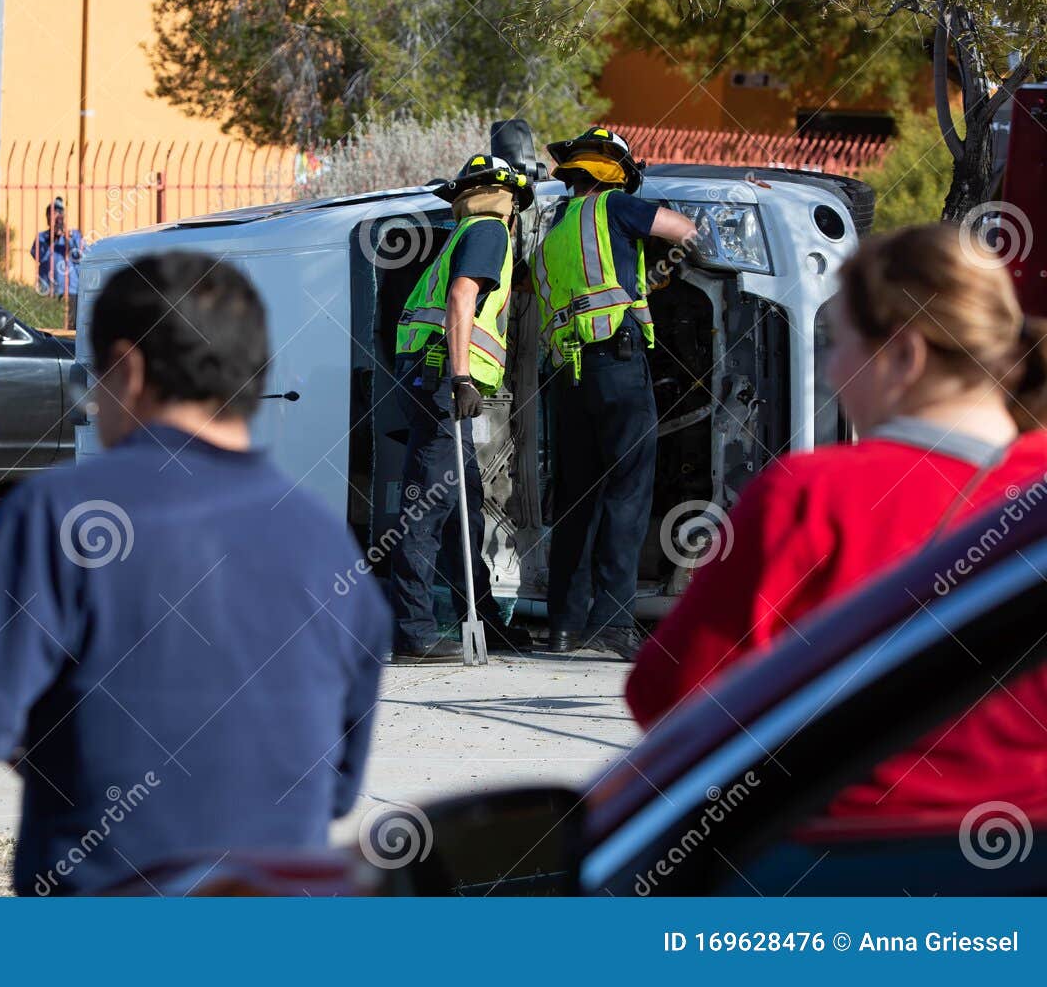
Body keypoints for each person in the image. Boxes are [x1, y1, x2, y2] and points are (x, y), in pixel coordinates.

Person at [0, 251, 390, 896]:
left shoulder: (63, 513)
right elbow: (334, 787)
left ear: (129, 368)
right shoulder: (328, 543)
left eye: (93, 381)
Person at [628, 222, 1047, 821]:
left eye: (841, 344)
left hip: (836, 869)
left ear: (904, 355)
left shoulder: (812, 497)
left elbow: (669, 699)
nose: (830, 373)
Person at [531, 127, 696, 659]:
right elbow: (685, 230)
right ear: (615, 171)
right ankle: (614, 626)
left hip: (567, 375)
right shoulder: (617, 206)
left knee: (577, 500)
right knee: (627, 493)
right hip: (617, 364)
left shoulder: (552, 232)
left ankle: (564, 626)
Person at [389, 155, 536, 661]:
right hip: (441, 381)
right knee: (427, 511)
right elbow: (461, 296)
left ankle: (483, 618)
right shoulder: (490, 231)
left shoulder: (466, 232)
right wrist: (461, 376)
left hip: (428, 378)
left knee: (463, 510)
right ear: (511, 201)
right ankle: (413, 633)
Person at [31, 196, 83, 325]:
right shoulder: (42, 237)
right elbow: (38, 256)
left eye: (58, 214)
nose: (55, 218)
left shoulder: (74, 235)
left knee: (72, 328)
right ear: (47, 218)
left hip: (71, 290)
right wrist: (52, 239)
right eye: (52, 215)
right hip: (49, 290)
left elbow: (81, 256)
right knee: (48, 325)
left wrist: (68, 239)